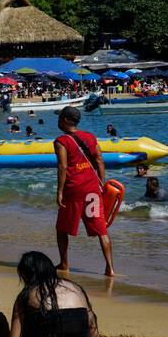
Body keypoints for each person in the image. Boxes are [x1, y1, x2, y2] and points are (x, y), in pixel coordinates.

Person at [9, 251, 99, 337]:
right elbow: (94, 334)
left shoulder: (25, 295)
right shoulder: (76, 288)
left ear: (25, 275)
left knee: (30, 328)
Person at [53, 106, 114, 277]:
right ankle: (110, 268)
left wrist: (59, 191)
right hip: (93, 189)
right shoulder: (90, 137)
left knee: (62, 229)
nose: (58, 121)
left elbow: (63, 167)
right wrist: (101, 183)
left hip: (73, 190)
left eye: (60, 118)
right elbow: (100, 160)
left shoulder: (61, 141)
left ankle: (64, 264)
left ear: (65, 120)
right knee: (102, 230)